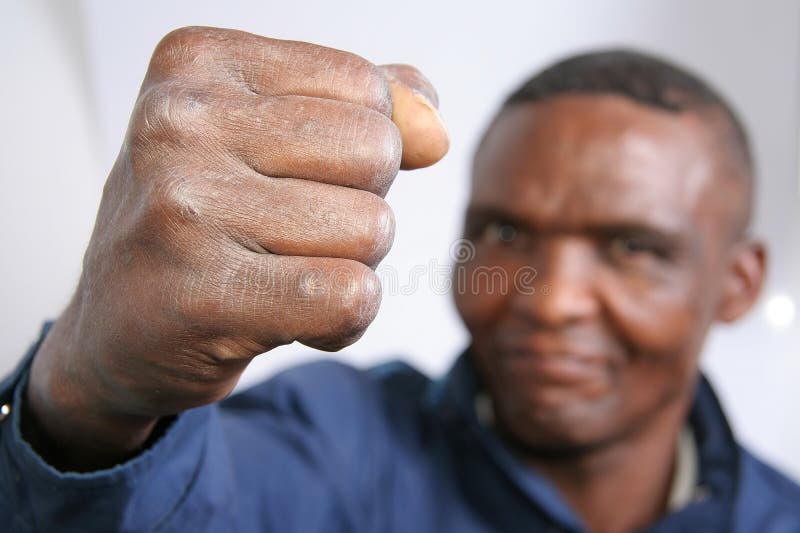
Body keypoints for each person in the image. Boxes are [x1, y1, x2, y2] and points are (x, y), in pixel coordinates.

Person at [1, 26, 798, 533]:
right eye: (505, 231)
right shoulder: (338, 440)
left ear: (736, 282)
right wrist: (88, 393)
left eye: (631, 246)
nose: (549, 301)